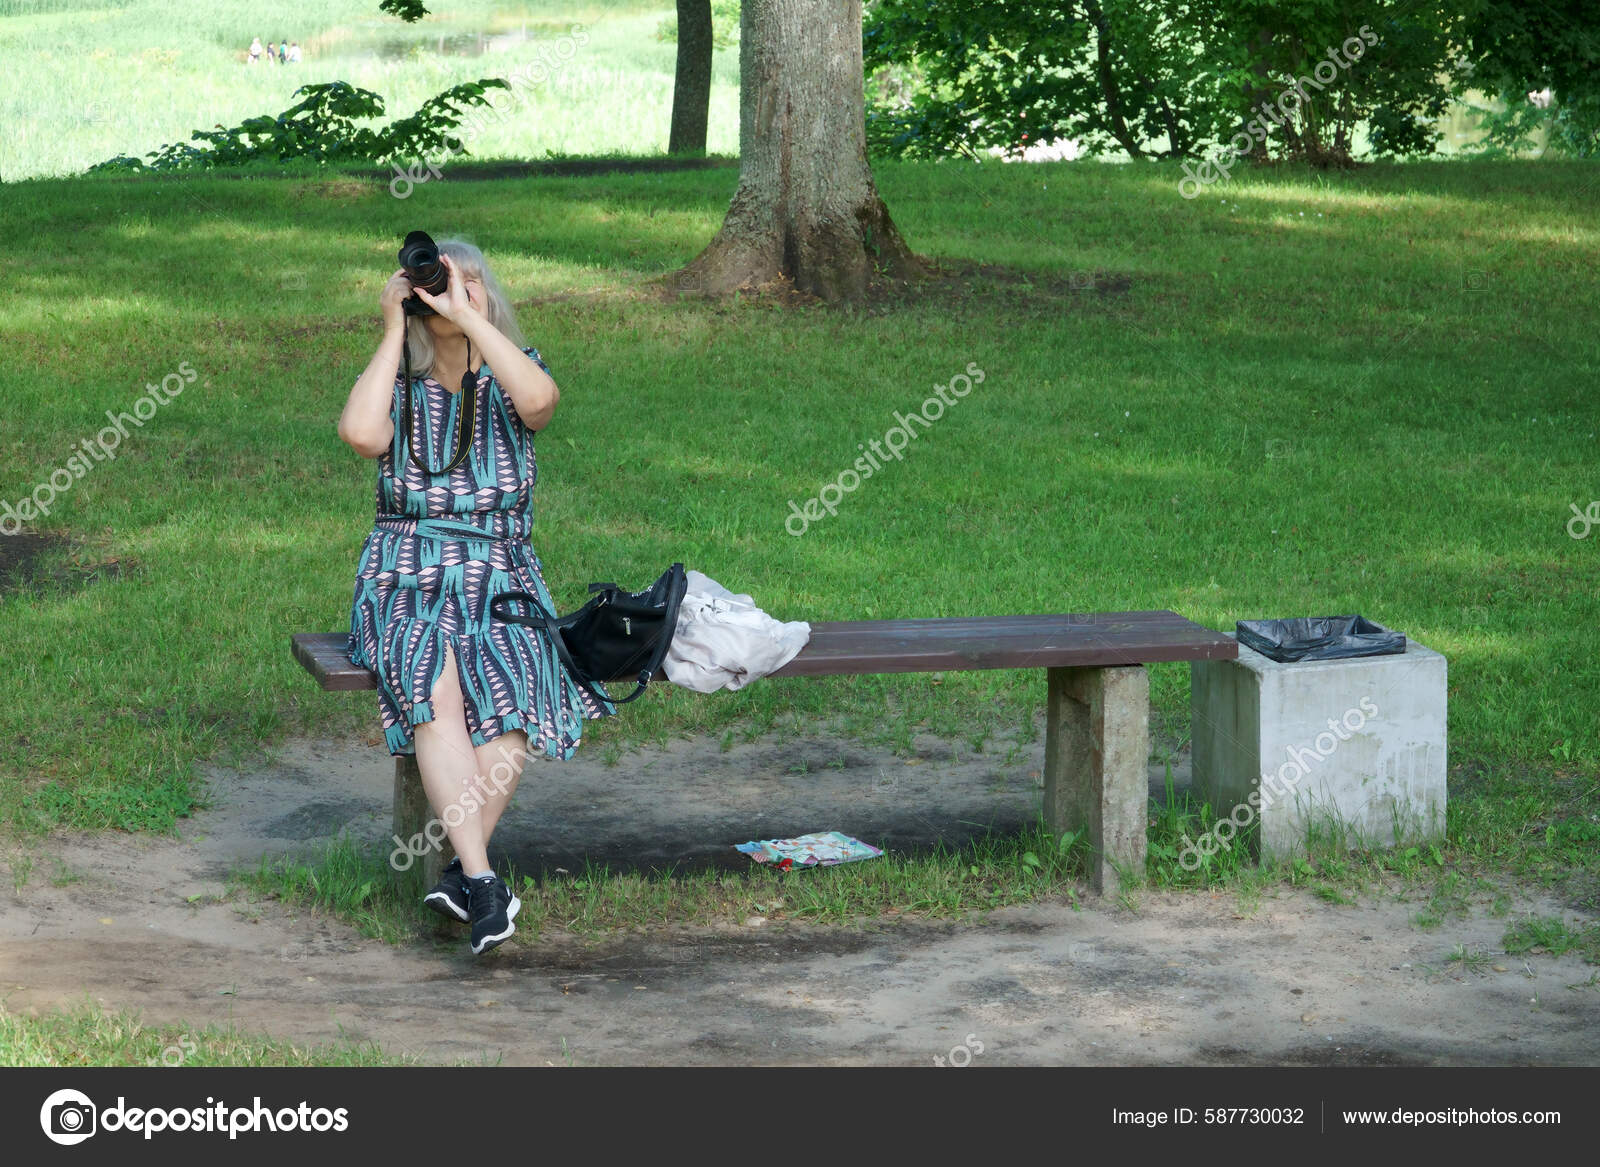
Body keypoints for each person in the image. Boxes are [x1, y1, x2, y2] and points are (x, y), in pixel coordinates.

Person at [338, 240, 616, 955]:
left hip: (502, 576)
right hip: (406, 573)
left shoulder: (515, 375)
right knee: (433, 684)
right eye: (437, 288)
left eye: (467, 285)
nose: (449, 297)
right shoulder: (398, 383)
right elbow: (361, 434)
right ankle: (484, 879)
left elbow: (541, 403)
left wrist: (475, 317)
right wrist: (395, 327)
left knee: (512, 700)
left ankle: (467, 874)